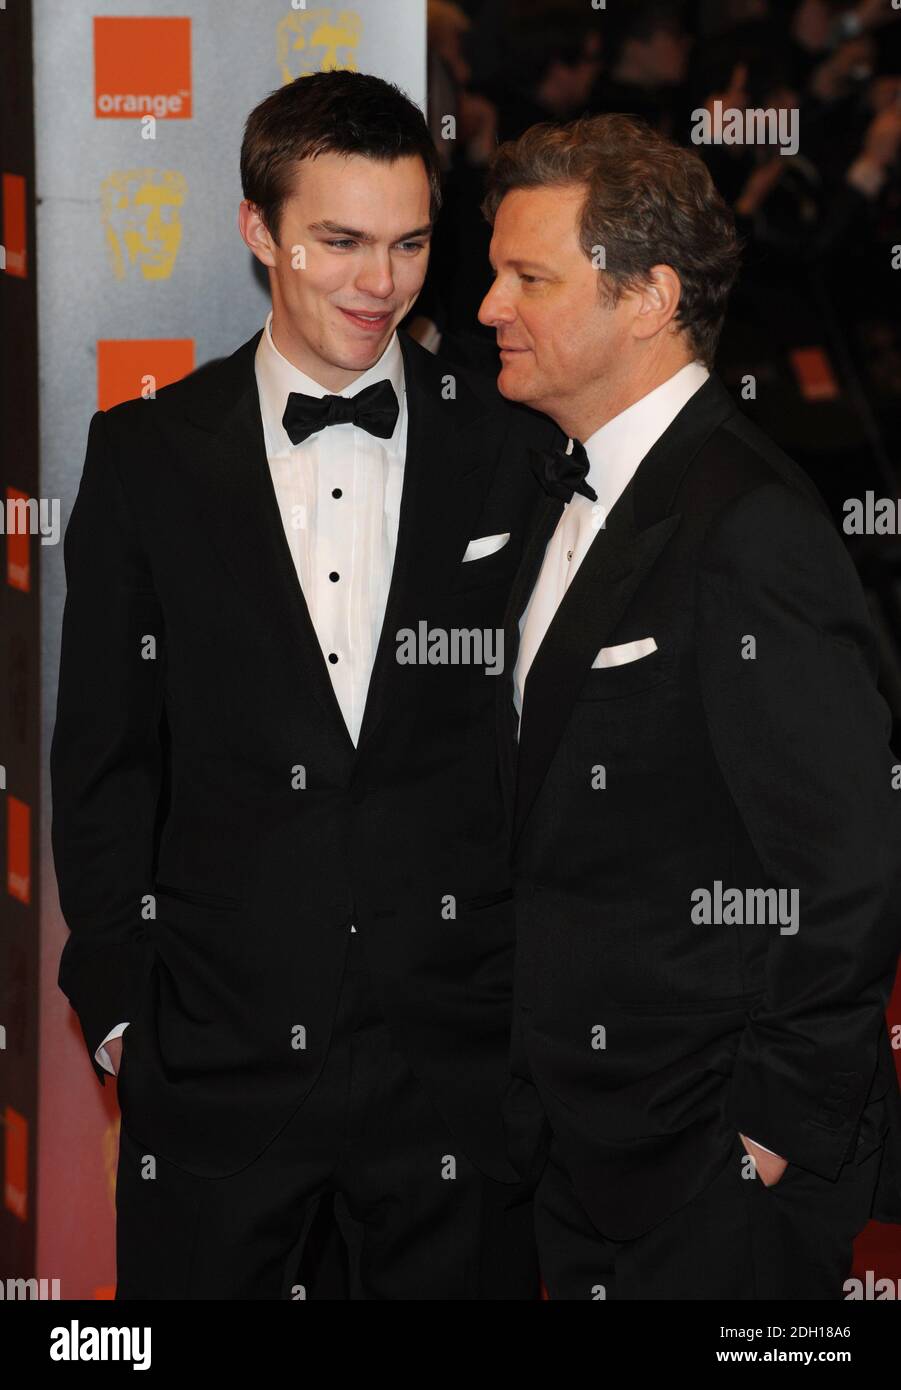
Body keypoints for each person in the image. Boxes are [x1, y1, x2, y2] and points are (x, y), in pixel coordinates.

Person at [51, 70, 555, 1300]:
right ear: (257, 230)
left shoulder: (511, 442)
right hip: (216, 1066)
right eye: (338, 241)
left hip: (452, 1064)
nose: (378, 284)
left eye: (408, 244)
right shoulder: (144, 453)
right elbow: (107, 756)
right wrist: (126, 1013)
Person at [478, 111, 901, 1299]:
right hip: (576, 1134)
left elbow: (847, 863)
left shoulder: (749, 525)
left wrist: (765, 1132)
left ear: (649, 297)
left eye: (529, 277)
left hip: (708, 1159)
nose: (487, 306)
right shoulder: (558, 486)